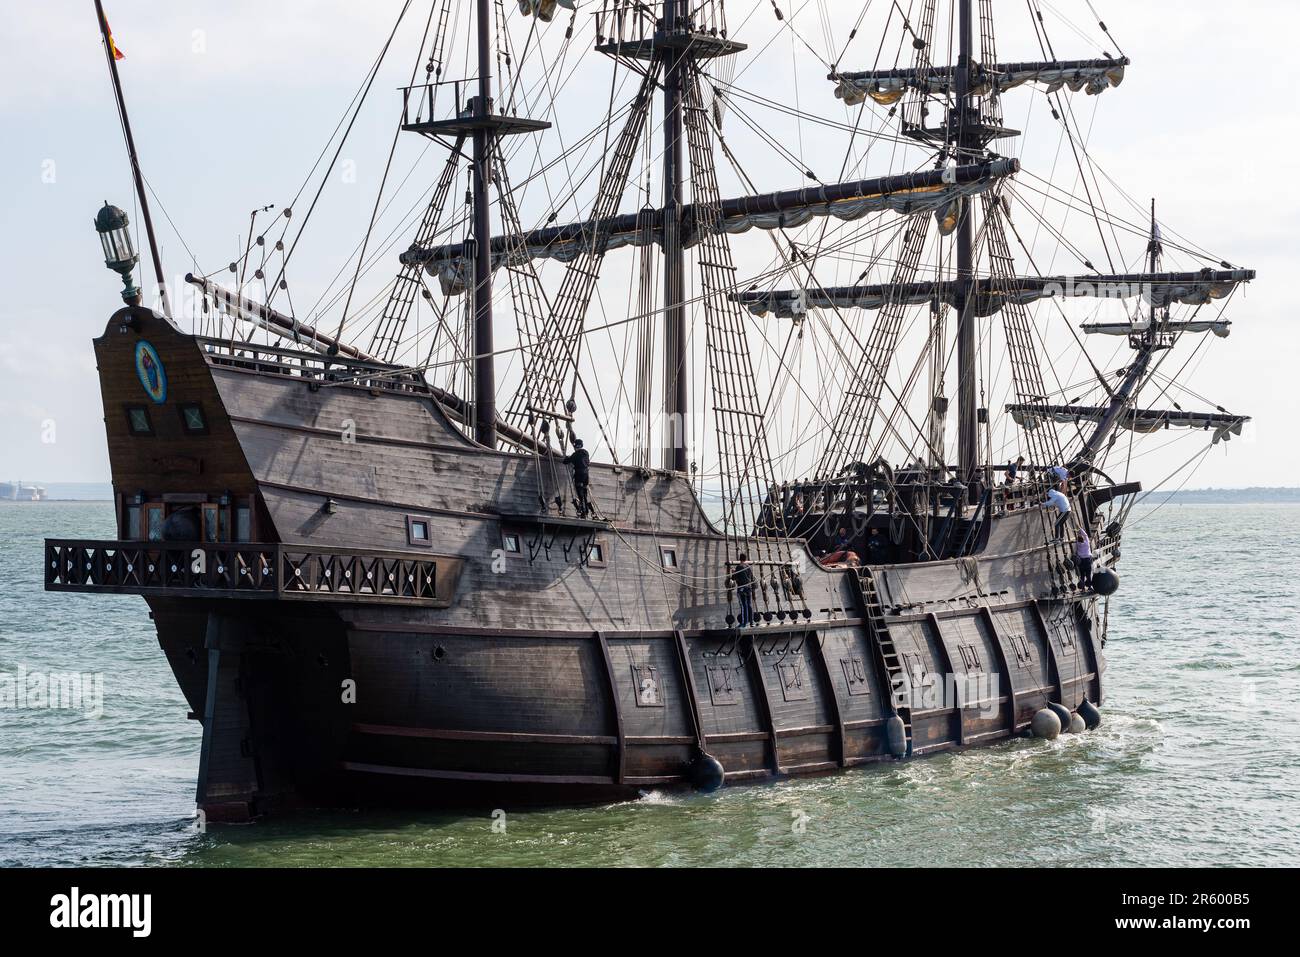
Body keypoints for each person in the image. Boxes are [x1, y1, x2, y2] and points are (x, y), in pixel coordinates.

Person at [563, 438, 591, 517]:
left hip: (579, 474)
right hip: (586, 475)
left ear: (575, 446)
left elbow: (565, 461)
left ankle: (582, 509)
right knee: (585, 493)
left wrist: (567, 457)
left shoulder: (575, 454)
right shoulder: (586, 453)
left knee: (579, 493)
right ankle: (586, 511)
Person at [729, 552, 756, 628]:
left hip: (742, 589)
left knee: (743, 606)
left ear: (739, 559)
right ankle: (751, 622)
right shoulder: (748, 567)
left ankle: (744, 623)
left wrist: (733, 572)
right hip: (749, 588)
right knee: (749, 605)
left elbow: (734, 578)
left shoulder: (739, 567)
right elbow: (751, 577)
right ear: (745, 559)